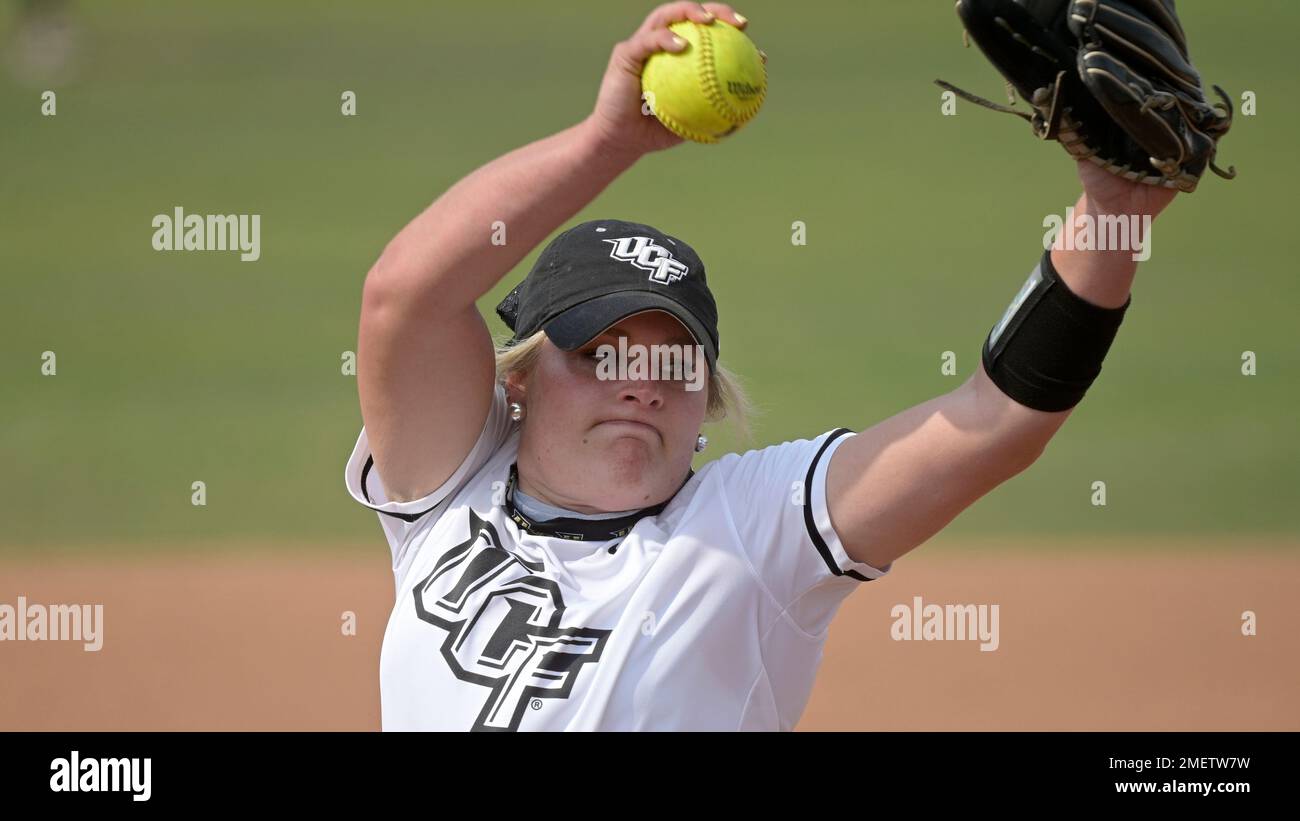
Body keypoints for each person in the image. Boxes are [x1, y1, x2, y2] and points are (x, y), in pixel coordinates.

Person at [344, 2, 1176, 731]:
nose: (640, 379)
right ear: (518, 378)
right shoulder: (453, 490)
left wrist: (1113, 212)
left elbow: (995, 422)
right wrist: (607, 141)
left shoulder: (748, 530)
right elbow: (403, 297)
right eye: (600, 352)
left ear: (705, 397)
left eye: (673, 360)